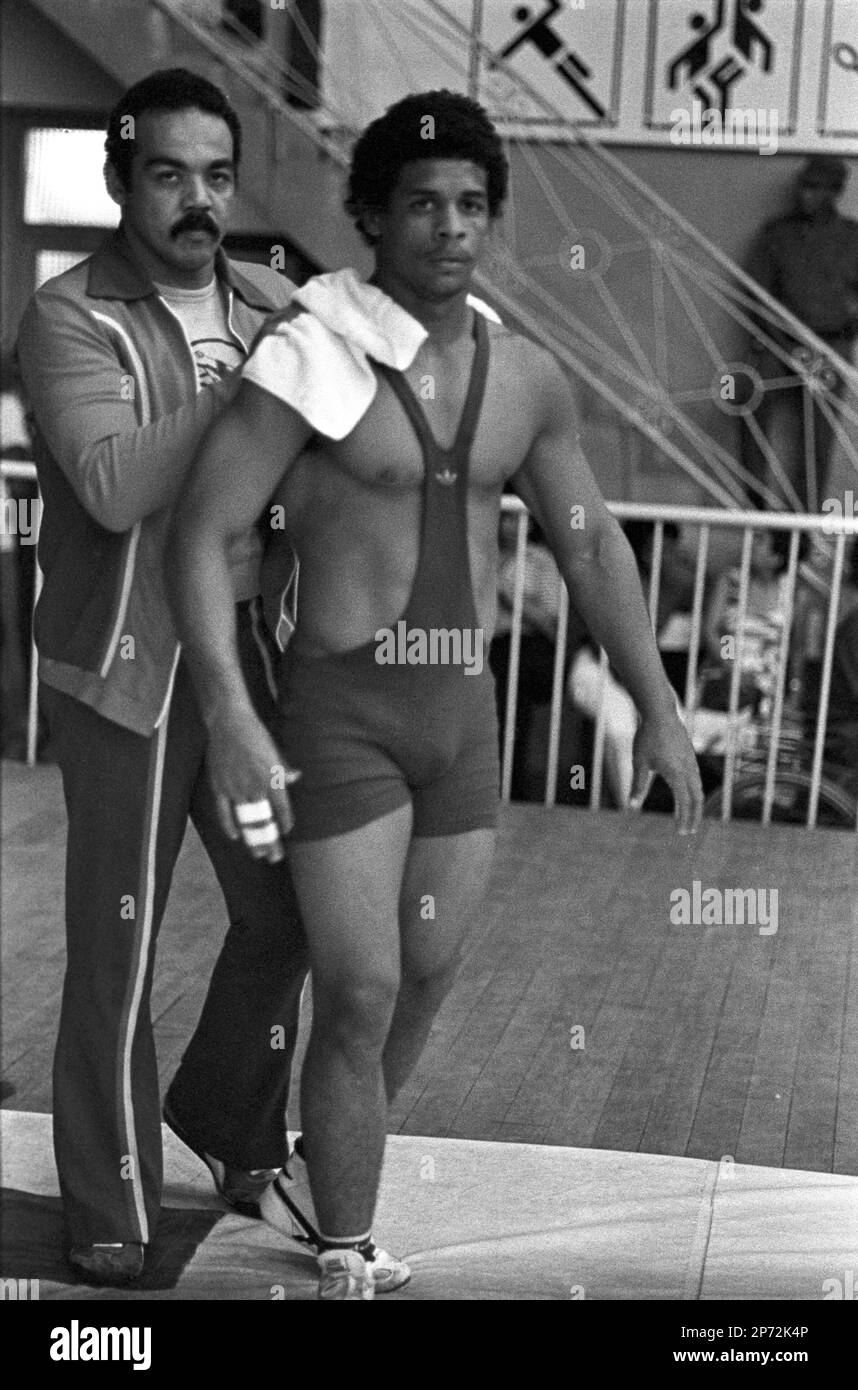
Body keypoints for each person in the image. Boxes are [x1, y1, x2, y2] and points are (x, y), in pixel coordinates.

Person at [166, 89, 703, 1301]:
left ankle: (308, 1165)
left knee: (420, 978)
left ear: (493, 221)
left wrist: (660, 705)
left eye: (472, 206)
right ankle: (346, 1244)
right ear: (371, 217)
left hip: (460, 723)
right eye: (422, 205)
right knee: (354, 985)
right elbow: (199, 534)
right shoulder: (309, 358)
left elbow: (593, 548)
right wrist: (236, 716)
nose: (450, 228)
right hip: (340, 717)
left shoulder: (529, 379)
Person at [14, 68, 314, 1289]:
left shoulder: (274, 302)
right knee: (119, 946)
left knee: (295, 908)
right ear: (121, 179)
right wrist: (258, 378)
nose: (198, 199)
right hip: (129, 668)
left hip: (247, 658)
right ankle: (110, 1203)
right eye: (169, 174)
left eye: (216, 174)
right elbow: (114, 483)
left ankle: (235, 1120)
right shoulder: (68, 315)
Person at [741, 155, 858, 513]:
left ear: (835, 192)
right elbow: (755, 293)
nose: (805, 195)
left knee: (817, 442)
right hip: (780, 342)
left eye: (816, 188)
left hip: (829, 342)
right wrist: (779, 339)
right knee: (750, 403)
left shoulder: (852, 238)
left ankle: (802, 528)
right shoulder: (778, 236)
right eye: (804, 186)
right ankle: (754, 505)